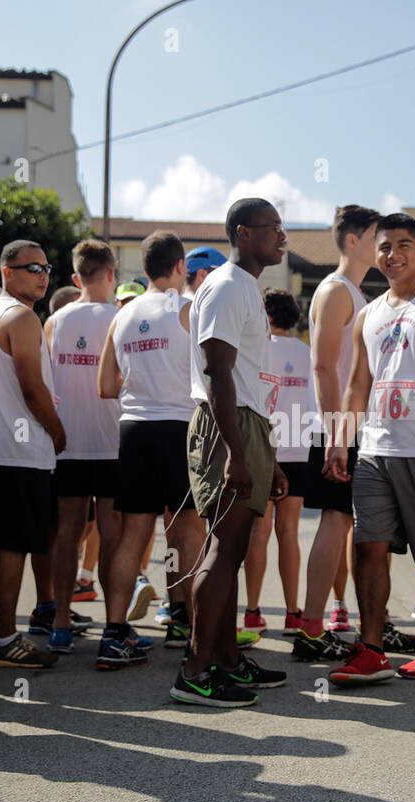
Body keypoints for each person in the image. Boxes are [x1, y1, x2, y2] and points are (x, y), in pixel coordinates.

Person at [325, 212, 415, 686]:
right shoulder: (368, 314)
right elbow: (356, 386)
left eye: (404, 245)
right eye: (385, 247)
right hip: (375, 452)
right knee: (369, 549)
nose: (393, 255)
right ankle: (371, 649)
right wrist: (341, 441)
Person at [176, 199, 290, 707]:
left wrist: (267, 455)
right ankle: (195, 671)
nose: (282, 238)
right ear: (244, 234)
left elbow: (244, 376)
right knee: (221, 550)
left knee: (234, 551)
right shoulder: (224, 285)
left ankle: (224, 661)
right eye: (273, 229)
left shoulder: (244, 287)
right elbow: (218, 373)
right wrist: (237, 453)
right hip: (228, 427)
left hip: (247, 426)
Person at [99, 230, 205, 661]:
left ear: (144, 270)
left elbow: (107, 385)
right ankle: (187, 626)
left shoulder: (121, 315)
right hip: (178, 427)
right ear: (180, 267)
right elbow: (212, 375)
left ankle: (113, 631)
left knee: (133, 535)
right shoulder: (188, 309)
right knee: (187, 532)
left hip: (134, 429)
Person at [0, 240, 63, 668]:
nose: (42, 275)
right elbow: (32, 387)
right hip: (18, 452)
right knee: (12, 549)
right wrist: (57, 432)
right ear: (8, 271)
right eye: (32, 268)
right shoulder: (21, 316)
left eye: (46, 267)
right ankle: (6, 638)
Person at [293, 205, 383, 660]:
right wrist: (337, 434)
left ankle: (324, 623)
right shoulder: (335, 291)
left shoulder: (356, 294)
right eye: (375, 235)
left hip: (354, 429)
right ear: (352, 240)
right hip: (338, 430)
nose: (382, 243)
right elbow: (322, 365)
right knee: (334, 521)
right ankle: (310, 629)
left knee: (344, 523)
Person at [43, 239, 123, 656]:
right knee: (112, 536)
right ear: (111, 274)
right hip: (112, 443)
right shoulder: (122, 318)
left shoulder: (55, 321)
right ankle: (114, 624)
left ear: (76, 278)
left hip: (66, 442)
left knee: (67, 535)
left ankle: (60, 621)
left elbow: (43, 383)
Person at [244, 289, 314, 632]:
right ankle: (292, 612)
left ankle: (253, 612)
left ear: (264, 316)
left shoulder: (256, 350)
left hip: (261, 447)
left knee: (259, 532)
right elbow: (315, 409)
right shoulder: (306, 353)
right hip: (298, 448)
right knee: (289, 532)